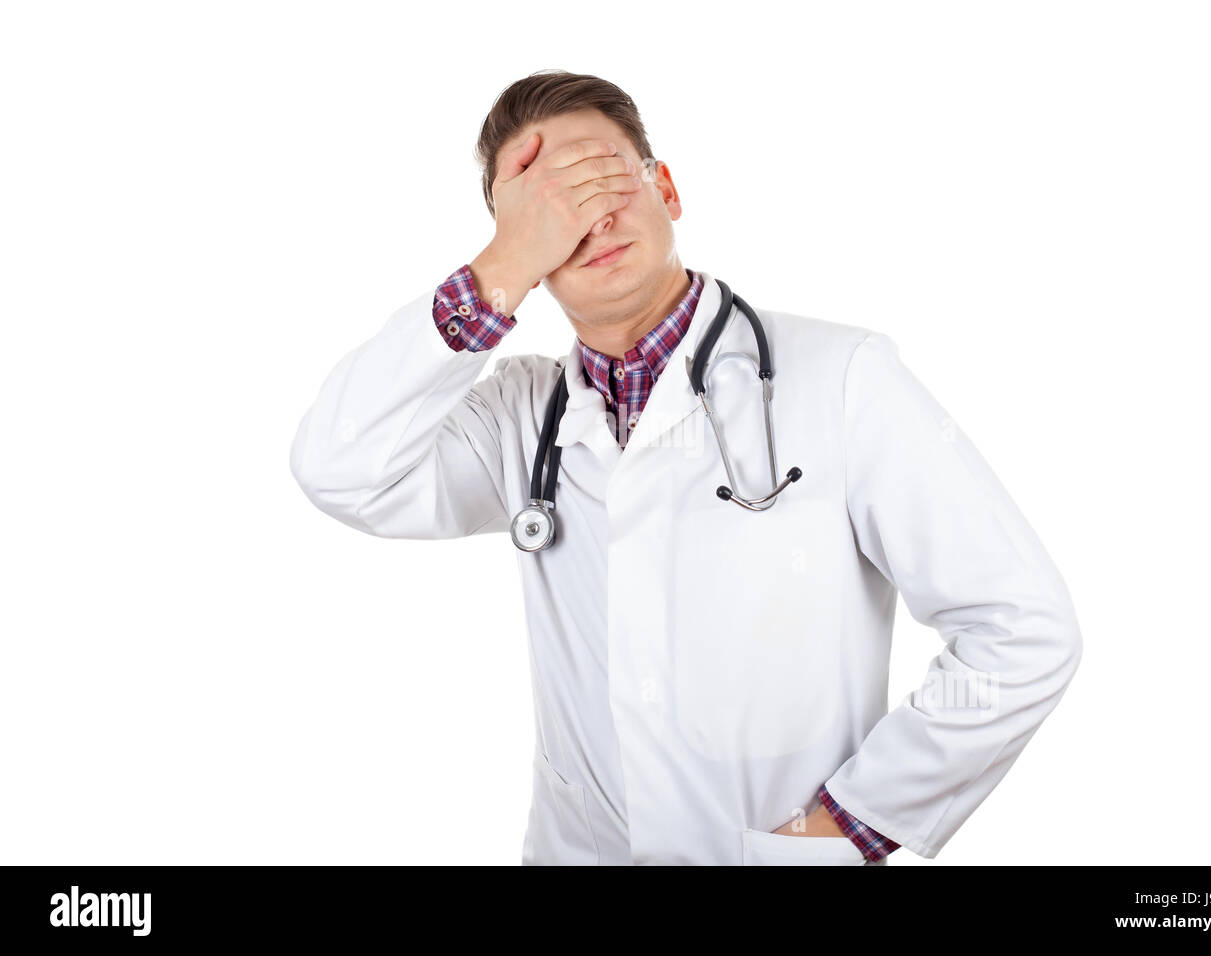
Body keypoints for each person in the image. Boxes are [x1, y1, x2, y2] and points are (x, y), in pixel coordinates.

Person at [289, 70, 1083, 866]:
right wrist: (501, 261)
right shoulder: (519, 418)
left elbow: (1022, 630)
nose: (589, 219)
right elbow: (340, 467)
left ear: (665, 188)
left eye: (602, 178)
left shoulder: (844, 378)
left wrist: (850, 825)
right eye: (546, 209)